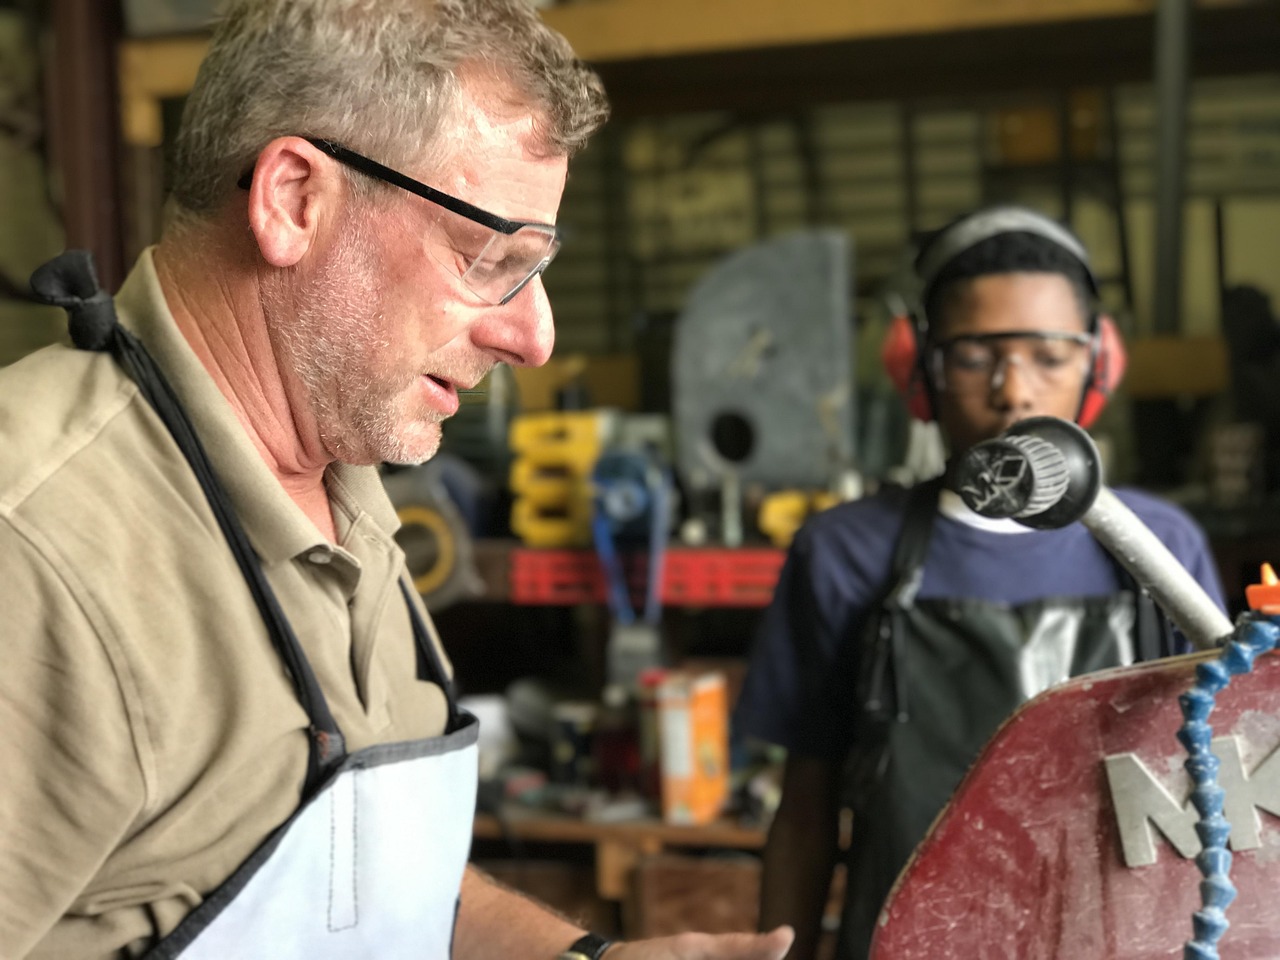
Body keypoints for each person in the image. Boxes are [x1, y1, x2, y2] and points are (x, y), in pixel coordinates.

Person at [0, 3, 795, 959]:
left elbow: (353, 868)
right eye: (486, 258)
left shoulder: (342, 480)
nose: (535, 337)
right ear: (295, 199)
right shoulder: (34, 551)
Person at [734, 206, 1226, 960]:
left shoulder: (1159, 548)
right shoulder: (845, 552)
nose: (1014, 392)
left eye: (1049, 356)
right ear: (920, 370)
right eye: (974, 356)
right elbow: (805, 811)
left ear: (1099, 366)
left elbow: (1223, 789)